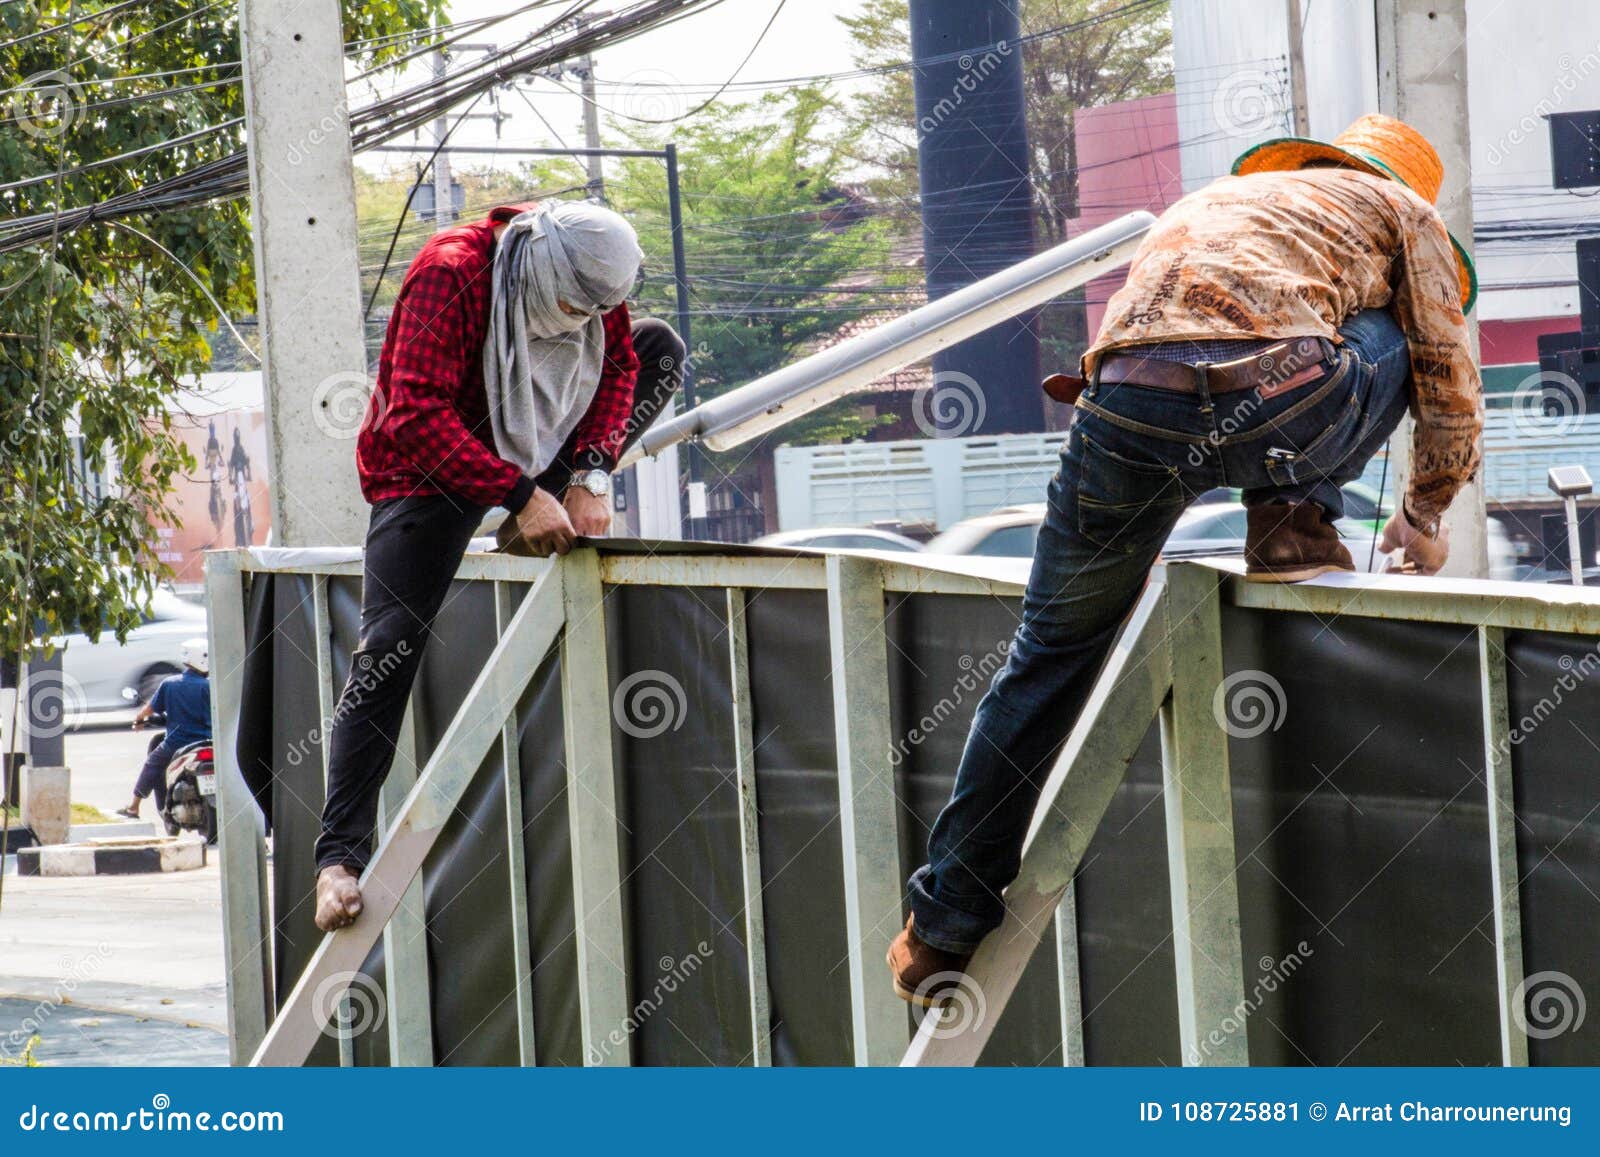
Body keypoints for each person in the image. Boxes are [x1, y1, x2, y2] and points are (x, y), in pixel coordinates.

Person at [889, 114, 1483, 1001]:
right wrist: (1425, 510)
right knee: (1394, 335)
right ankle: (1293, 521)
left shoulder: (1223, 199)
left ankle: (942, 926)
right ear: (1399, 180)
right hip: (1282, 398)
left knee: (1045, 660)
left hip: (1125, 407)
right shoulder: (1401, 209)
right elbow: (1444, 364)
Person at [312, 200, 686, 932]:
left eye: (596, 308)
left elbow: (617, 374)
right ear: (540, 267)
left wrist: (591, 475)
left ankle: (545, 503)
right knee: (388, 645)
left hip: (539, 442)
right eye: (571, 304)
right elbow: (412, 413)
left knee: (662, 346)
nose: (582, 317)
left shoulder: (595, 287)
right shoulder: (450, 275)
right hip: (433, 461)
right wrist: (517, 494)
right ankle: (337, 858)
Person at [119, 639, 212, 820]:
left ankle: (133, 808)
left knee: (152, 764)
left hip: (177, 744)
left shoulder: (170, 684)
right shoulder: (210, 686)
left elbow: (149, 709)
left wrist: (138, 719)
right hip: (210, 743)